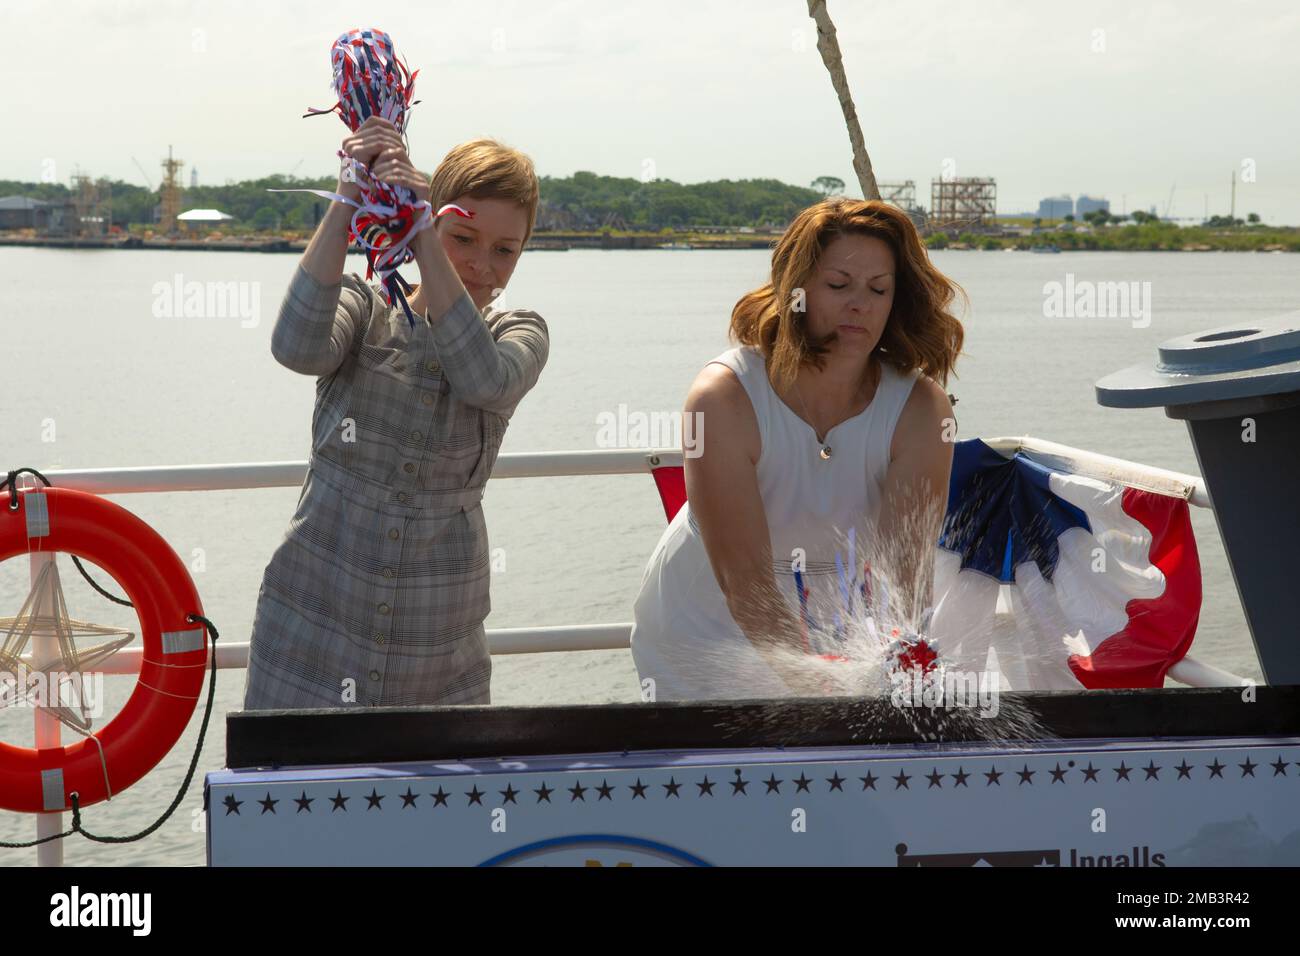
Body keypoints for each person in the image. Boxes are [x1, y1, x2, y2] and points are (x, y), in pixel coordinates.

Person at [244, 117, 548, 709]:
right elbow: (296, 348)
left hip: (437, 658)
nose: (483, 265)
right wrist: (347, 199)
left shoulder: (520, 332)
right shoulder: (364, 306)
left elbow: (482, 378)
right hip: (308, 636)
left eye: (505, 249)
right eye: (464, 239)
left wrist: (428, 239)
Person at [630, 198, 965, 699]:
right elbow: (744, 583)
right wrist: (820, 688)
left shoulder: (921, 410)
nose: (861, 304)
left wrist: (895, 665)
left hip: (839, 624)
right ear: (795, 290)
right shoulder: (721, 399)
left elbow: (905, 582)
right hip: (704, 629)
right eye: (837, 285)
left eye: (879, 289)